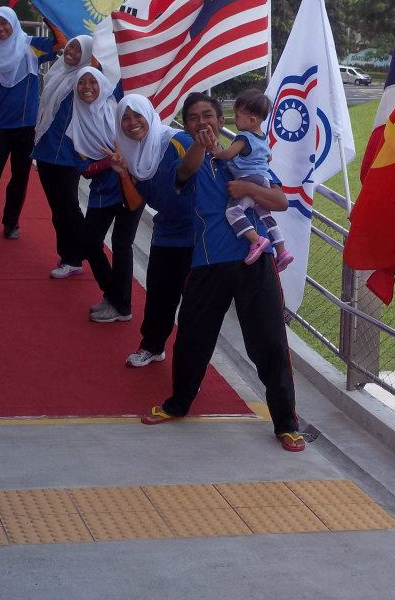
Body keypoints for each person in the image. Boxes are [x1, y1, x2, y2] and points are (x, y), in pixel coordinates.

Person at [141, 92, 305, 452]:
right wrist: (201, 147)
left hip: (255, 260)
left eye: (208, 116)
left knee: (271, 344)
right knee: (192, 340)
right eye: (194, 118)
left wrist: (247, 187)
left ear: (221, 120)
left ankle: (286, 423)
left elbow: (279, 201)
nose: (202, 122)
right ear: (186, 125)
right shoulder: (191, 157)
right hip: (207, 261)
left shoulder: (248, 156)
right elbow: (185, 174)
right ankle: (178, 404)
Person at [111, 94, 194, 364]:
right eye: (125, 117)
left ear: (149, 115)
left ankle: (191, 361)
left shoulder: (178, 142)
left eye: (137, 115)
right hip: (167, 233)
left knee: (194, 303)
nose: (132, 122)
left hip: (199, 234)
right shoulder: (130, 155)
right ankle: (152, 346)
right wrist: (123, 173)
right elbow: (135, 204)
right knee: (159, 294)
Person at [0, 7, 58, 240]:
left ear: (14, 23)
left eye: (4, 23)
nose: (0, 28)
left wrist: (48, 15)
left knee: (20, 177)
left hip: (27, 127)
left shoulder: (30, 45)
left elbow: (61, 43)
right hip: (0, 127)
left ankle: (11, 222)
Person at [68, 68, 143, 323]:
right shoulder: (75, 123)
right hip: (102, 189)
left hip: (130, 186)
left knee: (122, 245)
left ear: (102, 83)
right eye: (82, 83)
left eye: (92, 81)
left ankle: (121, 305)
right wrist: (106, 162)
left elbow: (132, 71)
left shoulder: (119, 111)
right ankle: (114, 296)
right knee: (89, 242)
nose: (87, 87)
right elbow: (82, 169)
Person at [211, 88, 294, 269]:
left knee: (233, 212)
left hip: (249, 179)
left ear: (252, 120)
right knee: (265, 215)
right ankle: (282, 250)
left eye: (238, 116)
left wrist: (218, 151)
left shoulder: (243, 137)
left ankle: (256, 241)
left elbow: (228, 154)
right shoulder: (262, 138)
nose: (235, 119)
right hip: (264, 179)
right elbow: (269, 157)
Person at [33, 34, 93, 278]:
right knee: (58, 207)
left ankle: (76, 256)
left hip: (68, 152)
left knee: (67, 206)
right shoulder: (58, 73)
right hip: (47, 148)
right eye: (70, 47)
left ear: (87, 54)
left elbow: (96, 109)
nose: (71, 53)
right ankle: (71, 252)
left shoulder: (85, 78)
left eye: (78, 50)